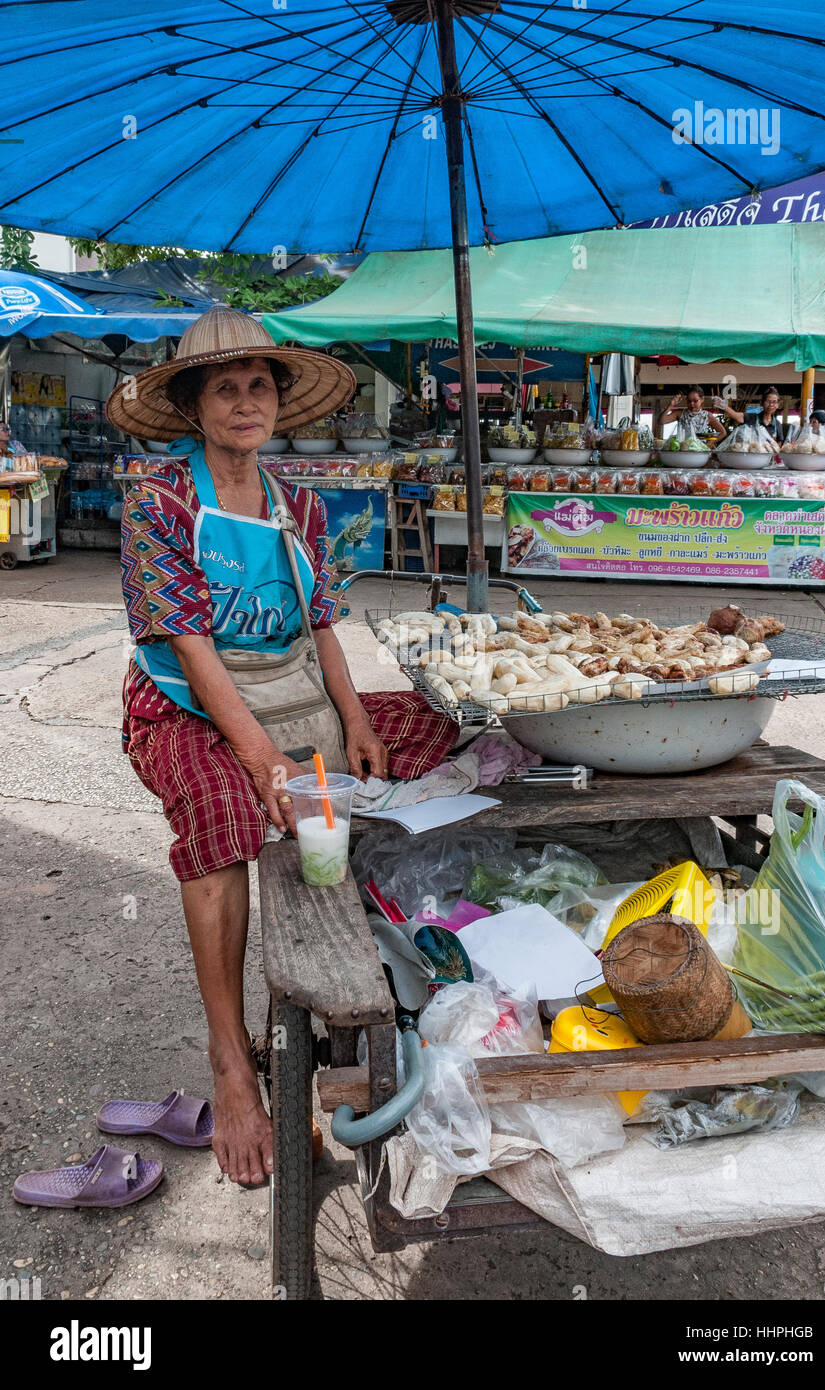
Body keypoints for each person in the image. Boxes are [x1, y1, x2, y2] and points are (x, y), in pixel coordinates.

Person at [107, 307, 459, 1188]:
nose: (243, 402)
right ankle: (231, 1063)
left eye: (257, 385)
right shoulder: (159, 506)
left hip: (293, 689)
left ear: (277, 401)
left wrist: (359, 722)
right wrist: (266, 760)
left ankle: (394, 957)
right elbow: (191, 650)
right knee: (223, 813)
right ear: (192, 407)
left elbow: (323, 629)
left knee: (443, 731)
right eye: (223, 389)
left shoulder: (299, 505)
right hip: (187, 705)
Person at [657, 385, 727, 441]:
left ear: (702, 399)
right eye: (689, 401)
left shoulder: (707, 415)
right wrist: (670, 406)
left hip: (701, 453)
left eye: (695, 401)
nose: (692, 404)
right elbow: (661, 421)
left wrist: (709, 443)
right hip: (683, 452)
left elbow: (723, 433)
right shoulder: (680, 414)